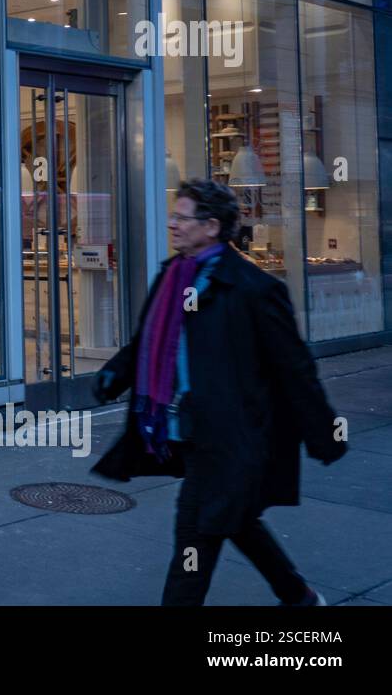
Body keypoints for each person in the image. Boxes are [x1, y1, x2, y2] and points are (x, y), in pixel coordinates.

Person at [92, 179, 347, 606]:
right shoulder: (175, 275)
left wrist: (325, 434)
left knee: (195, 535)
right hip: (186, 429)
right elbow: (147, 342)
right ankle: (297, 594)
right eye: (173, 215)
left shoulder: (253, 288)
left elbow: (295, 369)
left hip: (231, 436)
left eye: (181, 217)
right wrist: (114, 375)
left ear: (211, 227)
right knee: (234, 518)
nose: (172, 224)